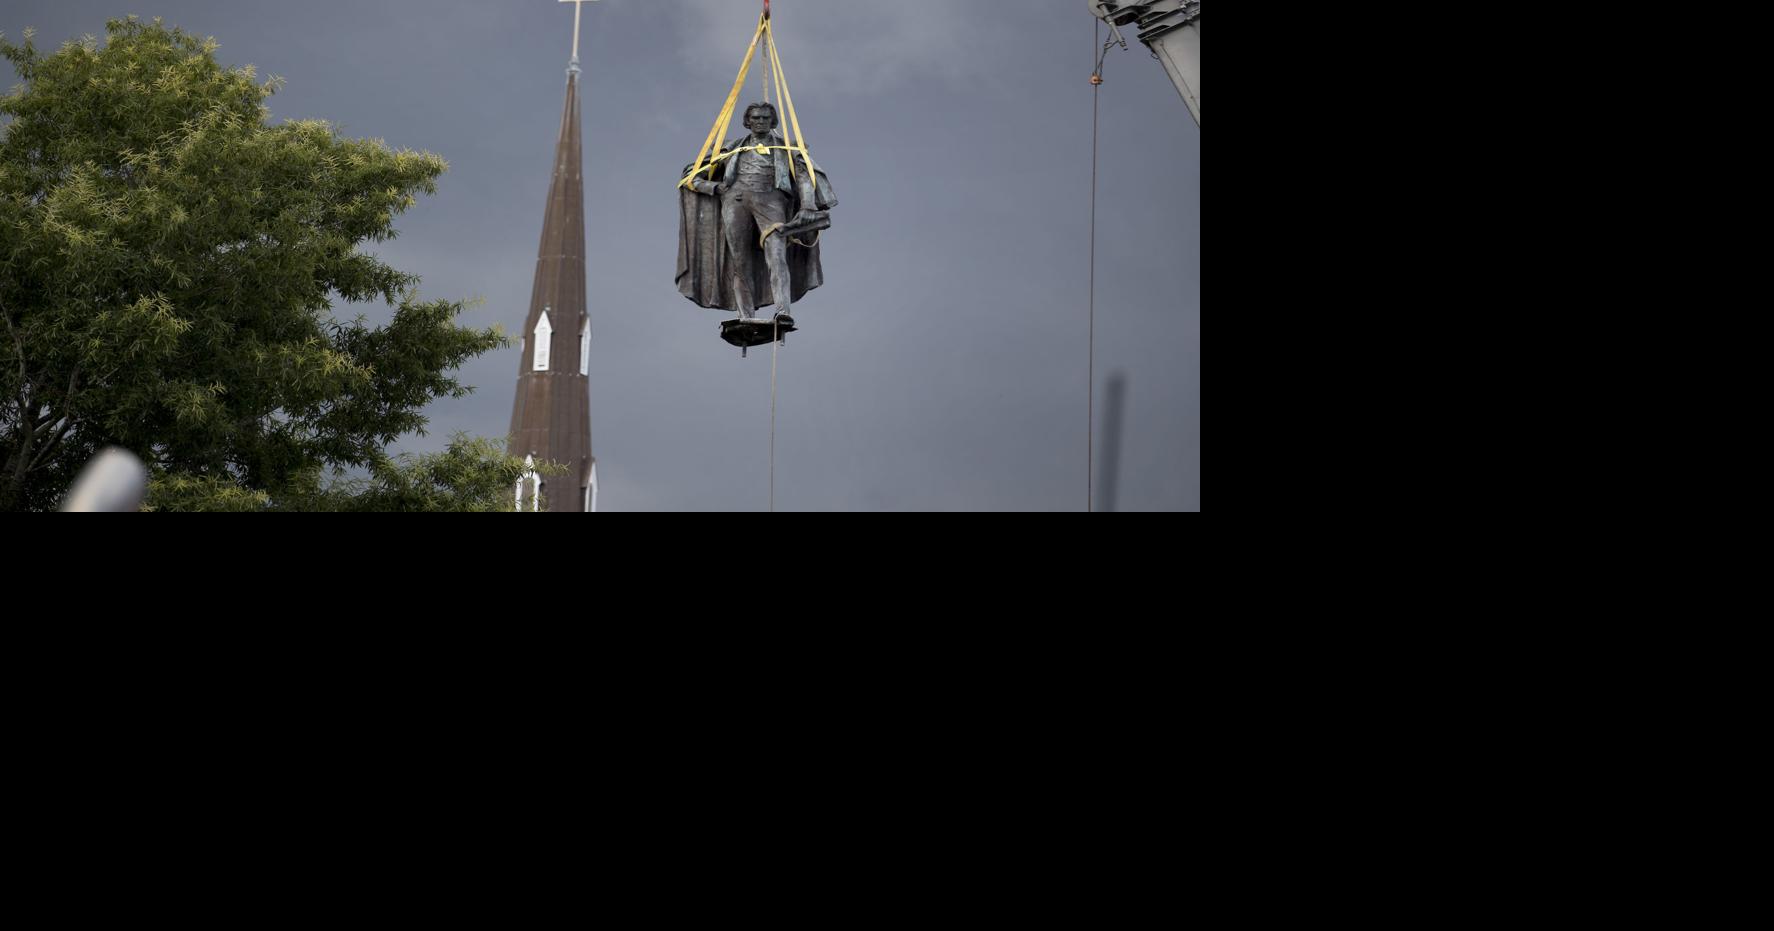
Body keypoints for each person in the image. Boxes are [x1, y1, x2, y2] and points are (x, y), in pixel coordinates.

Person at [677, 102, 836, 320]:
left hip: (771, 200)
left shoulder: (785, 147)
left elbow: (804, 174)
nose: (760, 122)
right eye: (756, 118)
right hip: (736, 200)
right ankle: (746, 316)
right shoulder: (731, 147)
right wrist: (715, 188)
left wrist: (808, 205)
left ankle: (783, 311)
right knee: (739, 261)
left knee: (777, 254)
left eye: (765, 118)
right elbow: (690, 176)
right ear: (747, 122)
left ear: (773, 122)